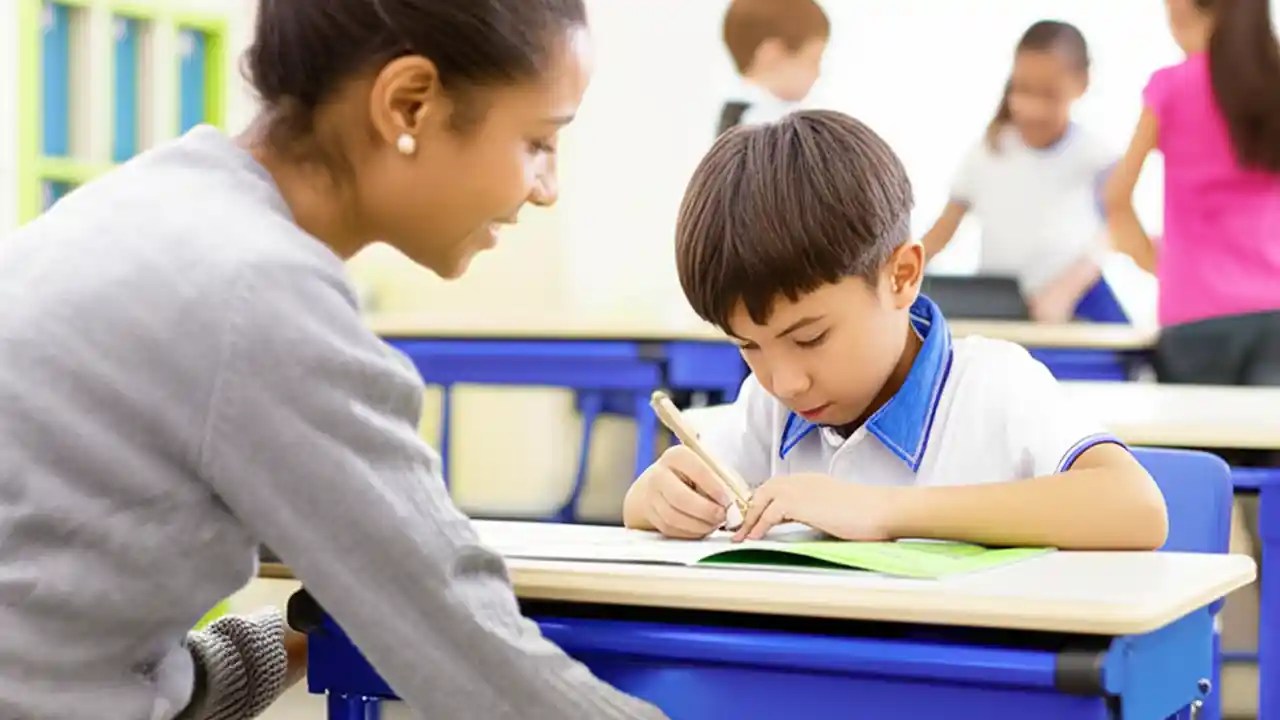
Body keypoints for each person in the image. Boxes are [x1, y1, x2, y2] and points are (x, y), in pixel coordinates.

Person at [0, 0, 667, 718]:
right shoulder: (259, 290)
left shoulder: (142, 213)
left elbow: (77, 656)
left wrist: (318, 626)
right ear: (408, 105)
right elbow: (479, 663)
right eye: (539, 141)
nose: (546, 188)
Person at [622, 111, 1167, 549]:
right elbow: (653, 501)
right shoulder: (769, 411)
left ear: (901, 276)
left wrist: (881, 511)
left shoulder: (993, 387)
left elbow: (1136, 508)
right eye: (749, 347)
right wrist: (656, 498)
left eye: (810, 338)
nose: (784, 381)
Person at [1105, 0, 1280, 388]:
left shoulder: (1170, 87)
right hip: (1276, 312)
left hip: (1194, 315)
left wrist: (1164, 268)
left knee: (1200, 447)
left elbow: (1117, 198)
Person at [921, 21, 1122, 323]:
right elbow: (943, 231)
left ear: (1081, 84)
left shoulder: (1096, 157)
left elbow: (1113, 233)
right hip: (1001, 304)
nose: (1033, 108)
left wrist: (1066, 289)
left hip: (1074, 302)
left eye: (1049, 94)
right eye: (1024, 90)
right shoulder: (989, 152)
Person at [716, 0, 829, 136]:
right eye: (813, 60)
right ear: (771, 55)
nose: (817, 73)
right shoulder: (762, 121)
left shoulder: (735, 113)